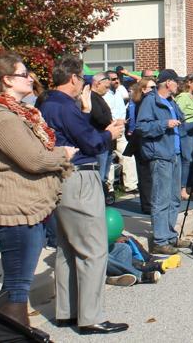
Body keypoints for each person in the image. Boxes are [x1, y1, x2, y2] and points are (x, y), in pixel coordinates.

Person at [0, 54, 75, 329]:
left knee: (18, 286)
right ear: (7, 80)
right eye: (24, 73)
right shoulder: (2, 118)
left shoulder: (20, 112)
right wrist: (62, 154)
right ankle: (8, 332)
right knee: (16, 290)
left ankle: (5, 331)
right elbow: (34, 160)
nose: (31, 78)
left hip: (32, 207)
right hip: (15, 212)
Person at [38, 55, 128, 334]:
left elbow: (72, 133)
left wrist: (87, 116)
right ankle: (91, 317)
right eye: (82, 81)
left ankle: (67, 311)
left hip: (60, 177)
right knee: (93, 249)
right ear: (74, 78)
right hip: (79, 177)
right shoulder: (64, 106)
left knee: (67, 248)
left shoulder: (46, 103)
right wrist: (109, 134)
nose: (83, 86)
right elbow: (90, 142)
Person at [135, 69, 193, 255]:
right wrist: (164, 124)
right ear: (168, 83)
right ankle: (160, 240)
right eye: (176, 82)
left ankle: (170, 236)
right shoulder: (150, 101)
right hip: (160, 155)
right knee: (161, 199)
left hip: (174, 154)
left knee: (174, 198)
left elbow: (182, 120)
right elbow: (141, 127)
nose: (179, 85)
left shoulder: (171, 101)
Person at [126, 77, 156, 214]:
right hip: (140, 142)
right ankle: (147, 205)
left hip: (147, 142)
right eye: (152, 87)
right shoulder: (142, 103)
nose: (154, 90)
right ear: (143, 90)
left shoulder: (149, 101)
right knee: (145, 175)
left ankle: (150, 203)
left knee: (149, 175)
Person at [106, 70, 138, 195]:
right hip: (110, 129)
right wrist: (114, 122)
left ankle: (131, 185)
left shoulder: (118, 93)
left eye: (117, 78)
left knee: (128, 156)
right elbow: (104, 113)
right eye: (113, 79)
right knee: (109, 159)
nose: (116, 81)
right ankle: (109, 188)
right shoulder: (104, 95)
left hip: (121, 130)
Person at [89, 72, 115, 203]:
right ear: (97, 83)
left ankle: (103, 199)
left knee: (104, 175)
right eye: (106, 87)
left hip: (107, 142)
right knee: (99, 175)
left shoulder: (100, 97)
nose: (108, 89)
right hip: (99, 140)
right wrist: (112, 123)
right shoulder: (91, 97)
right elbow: (98, 117)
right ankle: (97, 202)